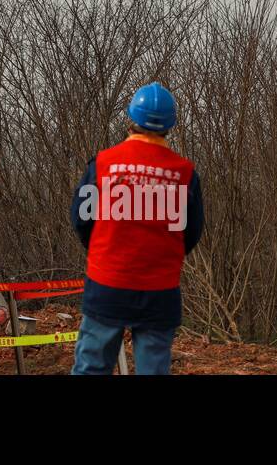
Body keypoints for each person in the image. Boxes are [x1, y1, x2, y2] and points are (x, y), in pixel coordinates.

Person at [69, 82, 204, 375]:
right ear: (170, 126)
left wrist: (103, 250)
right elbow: (191, 232)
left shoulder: (103, 164)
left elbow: (81, 218)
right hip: (159, 290)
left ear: (131, 119)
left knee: (91, 366)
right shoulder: (184, 173)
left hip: (107, 284)